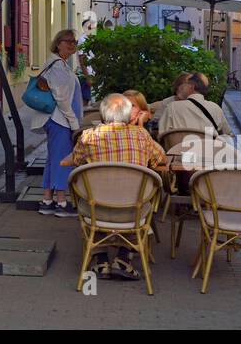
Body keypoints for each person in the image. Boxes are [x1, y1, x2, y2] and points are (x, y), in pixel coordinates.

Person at [60, 93, 169, 280]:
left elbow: (74, 160)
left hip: (97, 211)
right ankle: (124, 258)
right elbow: (162, 159)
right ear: (128, 115)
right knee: (144, 200)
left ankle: (100, 260)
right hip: (133, 212)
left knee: (91, 195)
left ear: (103, 115)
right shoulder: (142, 135)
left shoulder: (88, 137)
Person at [28, 29, 83, 217]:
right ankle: (61, 203)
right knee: (63, 160)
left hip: (56, 119)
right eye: (67, 41)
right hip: (59, 120)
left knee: (53, 159)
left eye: (74, 41)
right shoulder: (58, 66)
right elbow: (62, 99)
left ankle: (47, 200)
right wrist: (74, 123)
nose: (71, 44)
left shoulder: (60, 64)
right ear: (58, 43)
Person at [157, 72, 229, 137]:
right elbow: (228, 135)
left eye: (184, 85)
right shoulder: (216, 108)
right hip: (207, 150)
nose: (179, 88)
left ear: (191, 87)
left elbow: (161, 135)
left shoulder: (172, 107)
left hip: (178, 150)